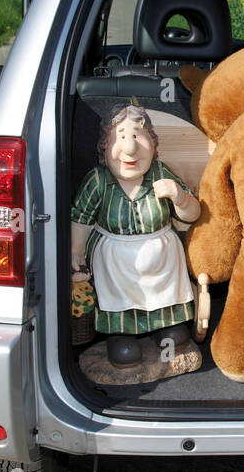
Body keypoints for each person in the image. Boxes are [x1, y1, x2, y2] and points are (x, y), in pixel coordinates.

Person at [70, 99, 201, 368]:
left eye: (137, 136)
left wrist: (180, 198)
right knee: (120, 303)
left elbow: (192, 215)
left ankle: (168, 326)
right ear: (105, 147)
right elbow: (80, 219)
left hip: (162, 261)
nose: (130, 147)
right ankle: (122, 334)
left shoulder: (161, 173)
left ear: (153, 145)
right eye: (121, 137)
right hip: (116, 262)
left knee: (170, 315)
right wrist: (76, 253)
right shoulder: (98, 180)